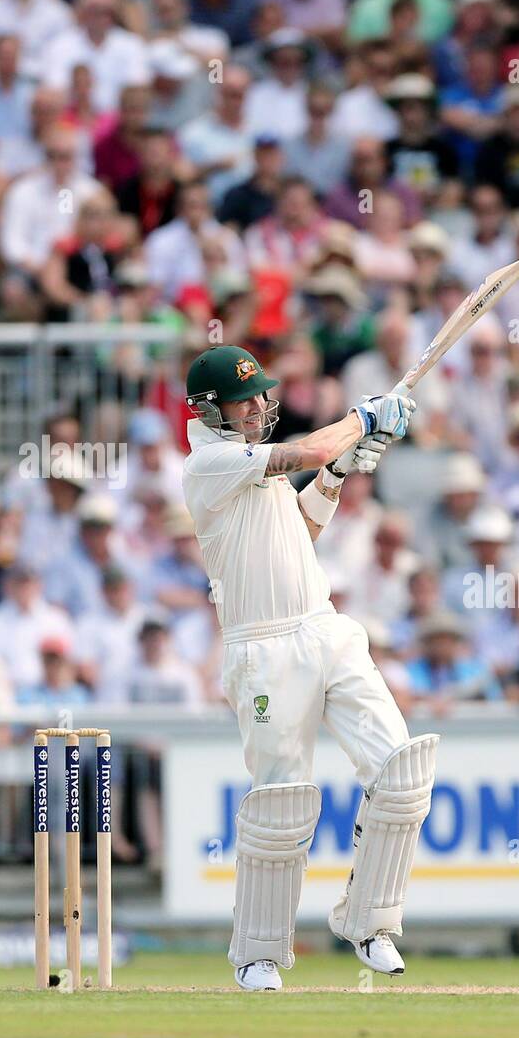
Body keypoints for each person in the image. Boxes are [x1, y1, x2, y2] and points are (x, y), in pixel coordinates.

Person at [180, 343, 437, 991]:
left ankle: (371, 920)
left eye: (263, 396)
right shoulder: (209, 464)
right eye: (245, 400)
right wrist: (362, 419)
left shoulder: (253, 469)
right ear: (210, 410)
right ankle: (259, 952)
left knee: (400, 770)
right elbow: (308, 451)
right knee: (281, 803)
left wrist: (340, 473)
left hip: (324, 627)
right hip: (260, 648)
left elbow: (301, 527)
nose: (260, 406)